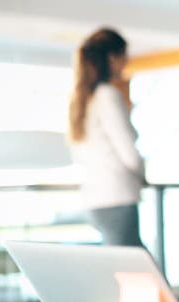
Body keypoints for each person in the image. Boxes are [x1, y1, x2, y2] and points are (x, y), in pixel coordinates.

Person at [68, 28, 144, 247]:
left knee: (125, 266)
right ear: (113, 58)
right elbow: (129, 153)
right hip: (117, 197)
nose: (126, 64)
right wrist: (141, 174)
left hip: (94, 199)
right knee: (137, 270)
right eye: (124, 58)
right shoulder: (107, 96)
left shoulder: (82, 99)